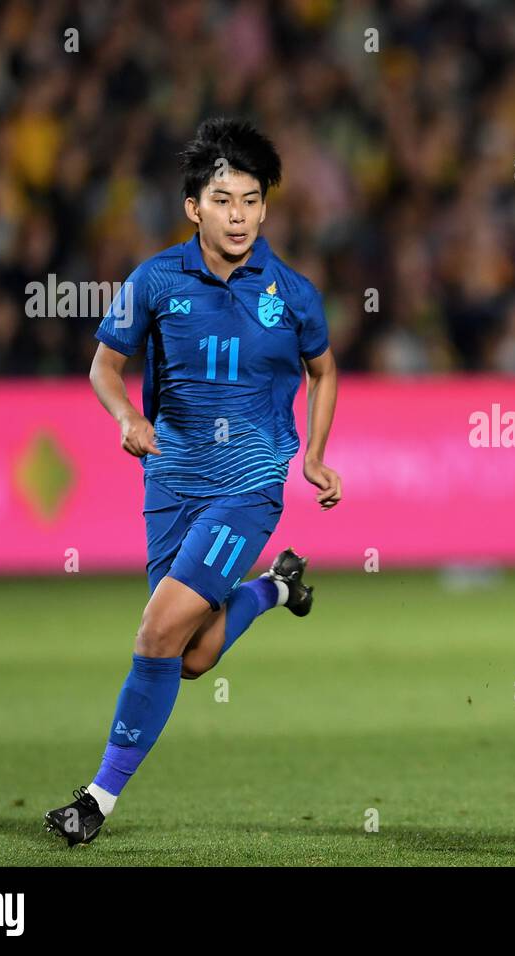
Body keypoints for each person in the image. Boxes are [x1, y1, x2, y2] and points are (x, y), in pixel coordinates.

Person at [45, 118, 342, 845]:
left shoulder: (292, 293)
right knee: (194, 655)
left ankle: (96, 800)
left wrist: (312, 455)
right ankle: (277, 587)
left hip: (247, 487)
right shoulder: (154, 281)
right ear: (193, 207)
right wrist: (123, 417)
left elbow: (324, 370)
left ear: (265, 208)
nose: (238, 214)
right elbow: (103, 367)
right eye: (223, 200)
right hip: (170, 482)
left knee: (154, 635)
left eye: (250, 200)